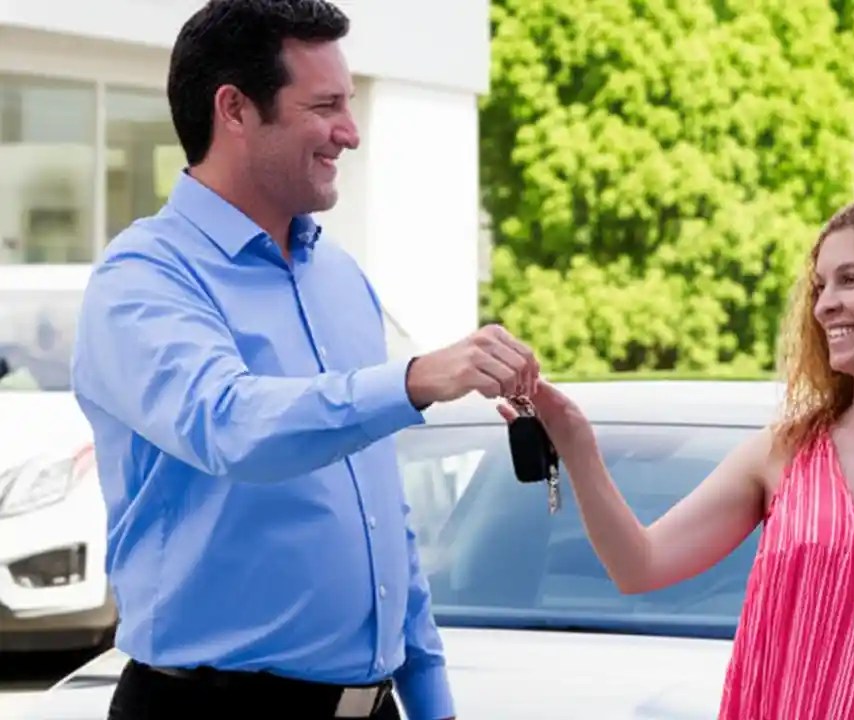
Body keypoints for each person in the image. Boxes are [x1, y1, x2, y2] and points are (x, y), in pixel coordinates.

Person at [70, 2, 538, 718]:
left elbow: (384, 515)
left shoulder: (341, 277)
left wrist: (430, 696)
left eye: (348, 104)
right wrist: (413, 380)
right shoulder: (143, 278)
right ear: (234, 109)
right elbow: (230, 425)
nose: (350, 132)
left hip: (374, 703)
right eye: (324, 106)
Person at [500, 196, 854, 719]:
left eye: (851, 280)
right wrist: (576, 440)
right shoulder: (783, 451)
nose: (825, 304)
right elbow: (639, 566)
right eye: (820, 286)